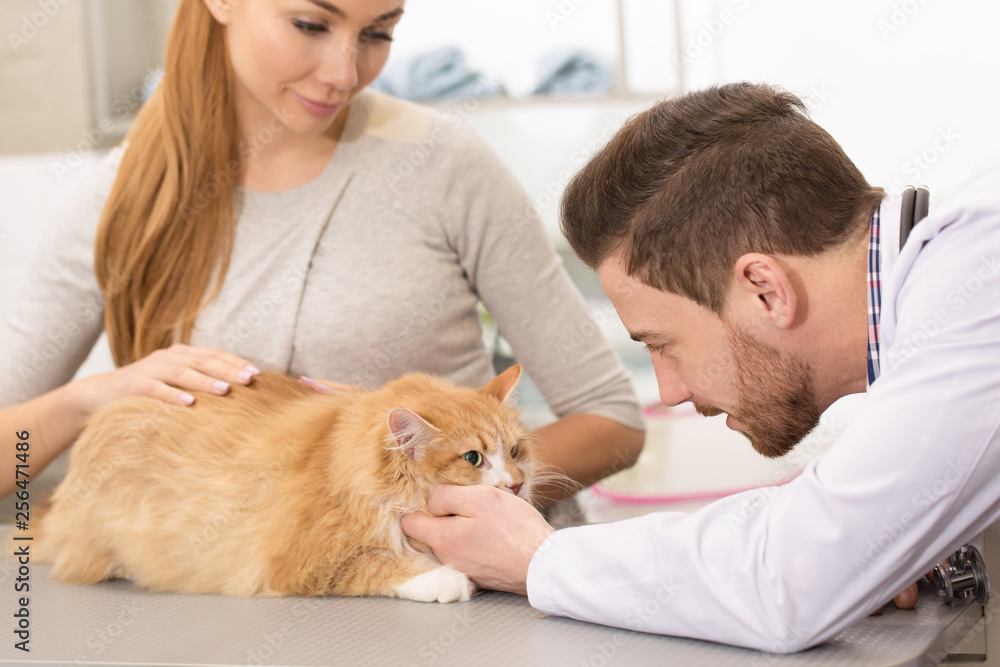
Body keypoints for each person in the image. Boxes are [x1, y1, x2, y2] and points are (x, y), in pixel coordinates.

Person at [401, 82, 1000, 653]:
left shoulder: (981, 279)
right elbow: (815, 541)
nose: (669, 391)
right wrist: (892, 527)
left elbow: (787, 581)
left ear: (765, 290)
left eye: (664, 344)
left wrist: (536, 558)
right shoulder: (952, 285)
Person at [0, 0, 645, 504]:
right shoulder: (123, 196)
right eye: (311, 24)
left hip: (445, 599)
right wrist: (91, 399)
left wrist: (442, 502)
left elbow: (612, 420)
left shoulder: (442, 163)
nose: (344, 73)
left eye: (378, 32)